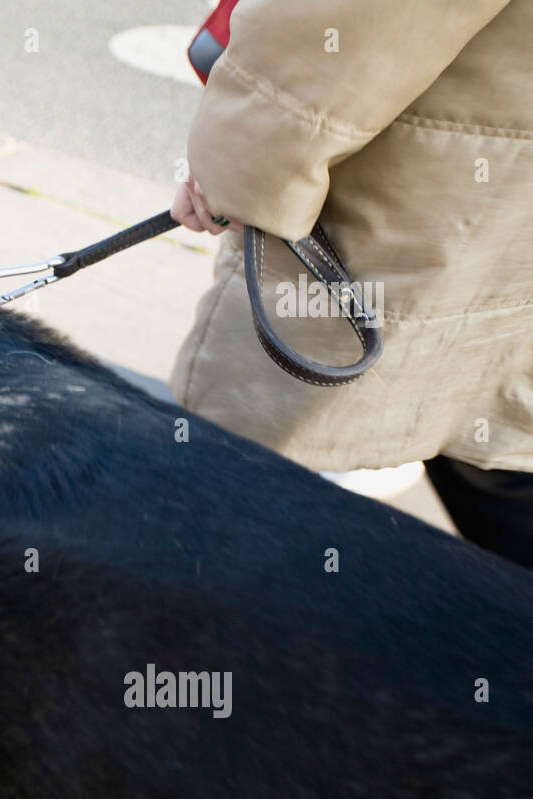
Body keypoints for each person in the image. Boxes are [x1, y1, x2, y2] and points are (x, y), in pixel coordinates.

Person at [167, 0, 533, 570]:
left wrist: (237, 171)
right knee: (496, 449)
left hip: (402, 209)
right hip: (496, 220)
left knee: (235, 482)